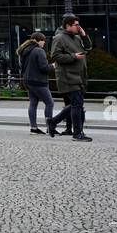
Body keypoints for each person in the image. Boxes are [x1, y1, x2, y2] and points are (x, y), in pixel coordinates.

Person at [48, 14, 92, 142]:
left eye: (78, 25)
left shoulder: (77, 38)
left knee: (76, 104)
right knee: (77, 104)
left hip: (79, 76)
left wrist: (84, 35)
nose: (78, 27)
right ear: (67, 25)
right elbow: (55, 56)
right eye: (76, 25)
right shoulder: (59, 38)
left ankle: (53, 122)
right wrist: (73, 56)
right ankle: (77, 133)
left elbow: (88, 48)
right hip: (67, 76)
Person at [19, 32, 55, 135]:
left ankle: (33, 128)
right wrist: (53, 66)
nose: (44, 43)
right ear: (38, 40)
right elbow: (44, 68)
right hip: (38, 81)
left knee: (33, 104)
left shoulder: (25, 50)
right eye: (43, 40)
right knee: (49, 103)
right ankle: (50, 127)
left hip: (27, 80)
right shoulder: (39, 51)